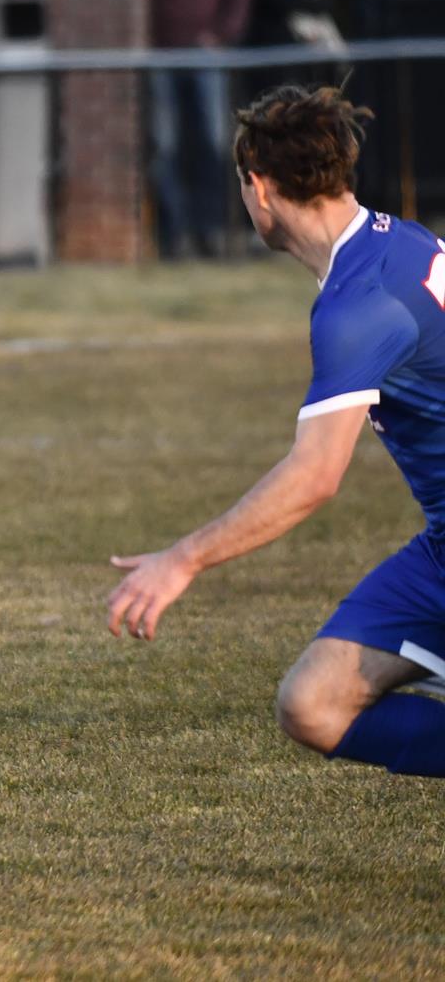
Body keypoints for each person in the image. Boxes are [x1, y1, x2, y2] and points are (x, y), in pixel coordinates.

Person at [107, 85, 445, 779]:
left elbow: (315, 476)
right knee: (313, 704)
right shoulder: (401, 240)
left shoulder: (356, 306)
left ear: (259, 188)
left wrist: (184, 558)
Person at [98, 0, 252, 260]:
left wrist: (220, 35)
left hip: (204, 52)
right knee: (163, 145)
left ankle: (211, 230)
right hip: (159, 52)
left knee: (211, 142)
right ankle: (175, 234)